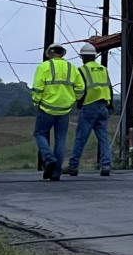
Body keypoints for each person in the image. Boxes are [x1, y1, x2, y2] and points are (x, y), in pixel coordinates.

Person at [30, 43, 84, 181]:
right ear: (62, 54)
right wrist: (74, 99)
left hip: (47, 107)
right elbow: (80, 88)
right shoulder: (72, 68)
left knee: (39, 133)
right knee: (60, 140)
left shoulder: (44, 67)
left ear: (50, 53)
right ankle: (56, 173)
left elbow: (38, 87)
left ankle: (49, 159)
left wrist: (36, 102)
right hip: (65, 109)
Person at [66, 42, 114, 177]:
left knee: (81, 138)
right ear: (94, 56)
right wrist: (109, 105)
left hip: (89, 106)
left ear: (82, 57)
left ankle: (73, 166)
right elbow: (109, 87)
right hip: (103, 106)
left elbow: (81, 89)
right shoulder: (103, 69)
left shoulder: (81, 70)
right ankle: (106, 166)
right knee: (103, 138)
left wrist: (79, 103)